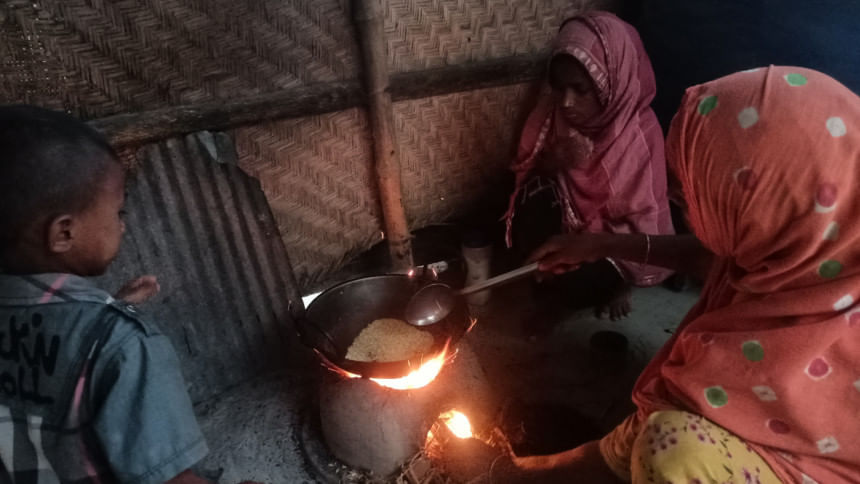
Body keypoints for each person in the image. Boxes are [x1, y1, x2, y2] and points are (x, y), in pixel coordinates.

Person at [444, 66, 860, 483]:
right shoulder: (817, 242)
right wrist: (599, 244)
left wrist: (510, 473)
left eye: (693, 184)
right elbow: (715, 259)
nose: (673, 193)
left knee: (672, 449)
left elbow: (650, 436)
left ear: (769, 202)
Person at [0, 105, 252, 483]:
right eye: (118, 211)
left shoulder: (103, 336)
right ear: (64, 233)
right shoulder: (126, 346)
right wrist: (111, 327)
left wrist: (110, 309)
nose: (122, 225)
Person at [505, 12, 674, 321]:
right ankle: (551, 282)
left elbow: (643, 221)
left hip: (613, 240)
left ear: (610, 82)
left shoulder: (640, 133)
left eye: (580, 89)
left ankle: (617, 287)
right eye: (559, 88)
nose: (566, 102)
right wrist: (556, 161)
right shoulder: (554, 113)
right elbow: (525, 173)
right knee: (530, 206)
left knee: (584, 284)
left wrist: (594, 247)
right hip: (569, 224)